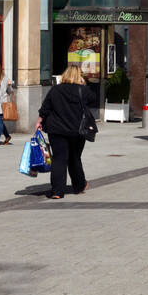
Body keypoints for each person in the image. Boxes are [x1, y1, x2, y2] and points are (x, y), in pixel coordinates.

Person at [36, 64, 97, 199]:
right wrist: (84, 85)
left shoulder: (55, 90)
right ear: (78, 76)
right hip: (77, 130)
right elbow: (93, 100)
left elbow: (45, 107)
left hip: (56, 130)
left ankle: (57, 191)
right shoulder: (82, 90)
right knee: (74, 158)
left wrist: (39, 121)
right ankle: (79, 185)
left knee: (59, 159)